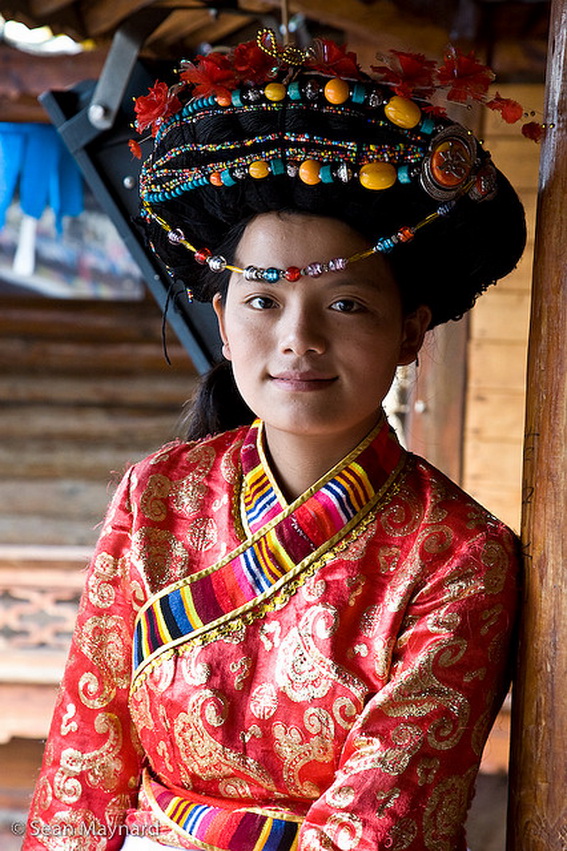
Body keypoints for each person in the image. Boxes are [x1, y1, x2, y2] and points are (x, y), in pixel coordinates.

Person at [23, 30, 526, 851]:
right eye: (262, 302)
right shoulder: (155, 495)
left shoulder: (459, 557)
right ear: (221, 323)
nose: (297, 338)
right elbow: (85, 760)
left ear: (410, 332)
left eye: (346, 304)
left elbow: (382, 826)